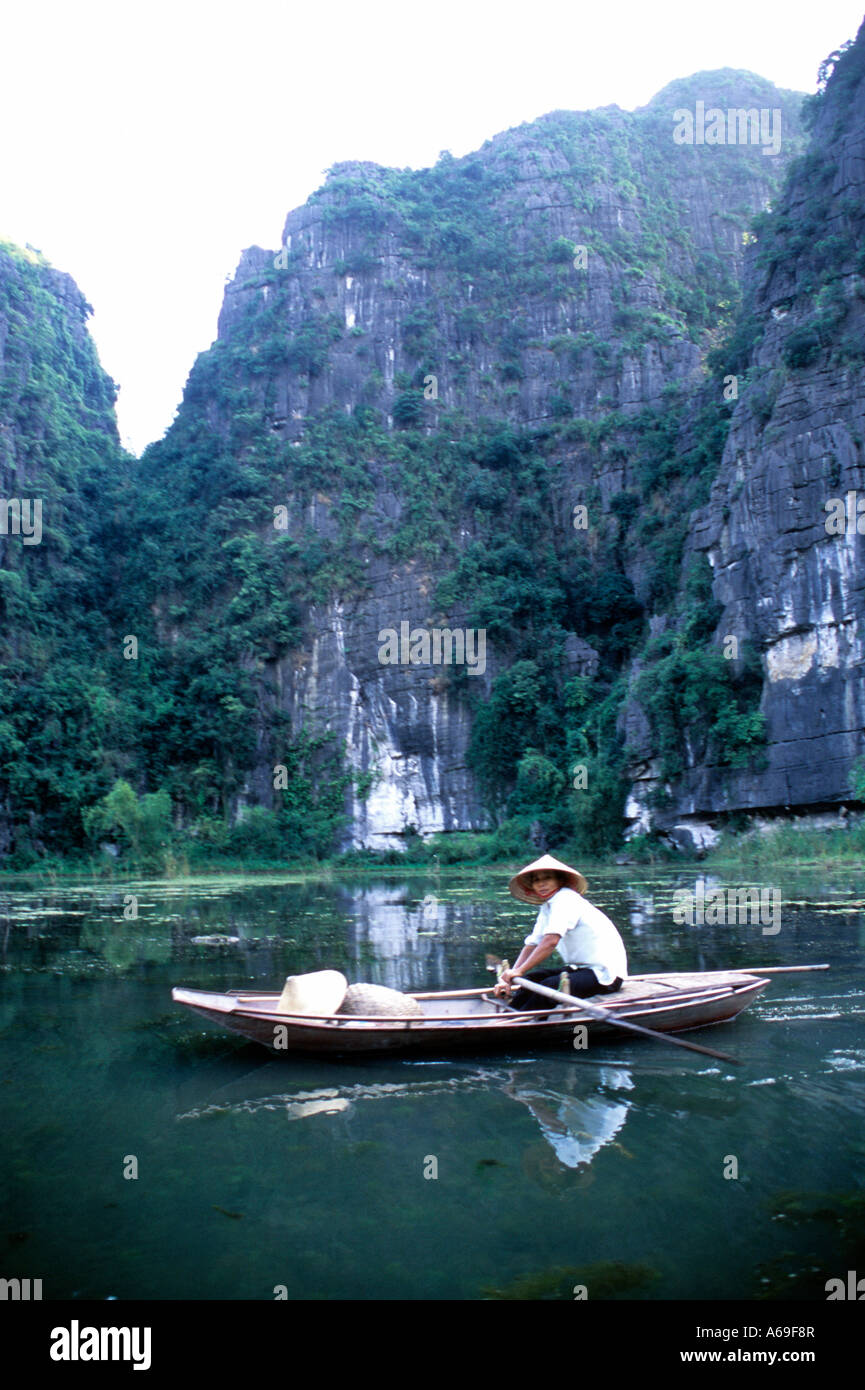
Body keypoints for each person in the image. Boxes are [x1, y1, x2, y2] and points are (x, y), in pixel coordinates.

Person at [494, 854, 627, 1010]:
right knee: (532, 979)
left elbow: (550, 941)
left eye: (547, 878)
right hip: (580, 969)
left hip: (605, 975)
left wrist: (518, 971)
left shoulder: (566, 899)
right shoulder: (547, 906)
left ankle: (524, 1023)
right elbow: (532, 944)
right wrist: (510, 975)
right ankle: (511, 1016)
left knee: (549, 986)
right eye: (536, 880)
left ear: (560, 880)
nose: (541, 884)